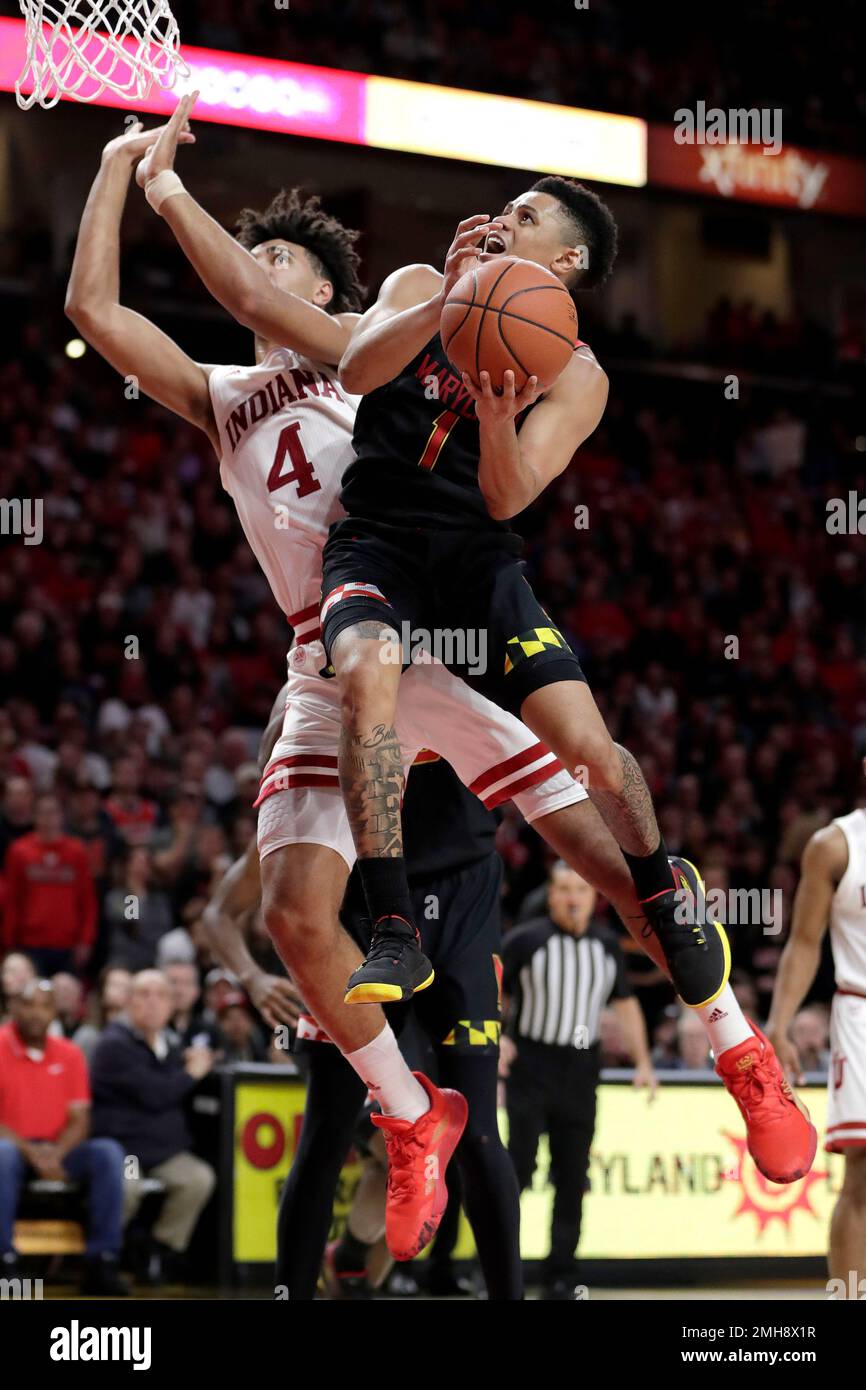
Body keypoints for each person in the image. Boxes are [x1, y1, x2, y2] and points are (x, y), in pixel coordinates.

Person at [500, 863, 655, 1299]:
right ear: (550, 896)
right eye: (564, 890)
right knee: (519, 1168)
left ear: (594, 898)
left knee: (572, 1176)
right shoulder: (525, 941)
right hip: (531, 1063)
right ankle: (500, 1270)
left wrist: (644, 1062)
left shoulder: (607, 946)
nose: (572, 898)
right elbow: (496, 993)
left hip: (581, 1070)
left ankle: (562, 1276)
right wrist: (494, 1041)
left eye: (581, 891)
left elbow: (625, 1005)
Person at [766, 758, 866, 1297]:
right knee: (863, 1179)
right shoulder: (835, 845)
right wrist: (779, 1027)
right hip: (861, 1012)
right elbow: (803, 943)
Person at [0, 979, 128, 1295]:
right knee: (1, 1155)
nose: (35, 1014)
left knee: (109, 1153)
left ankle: (103, 1259)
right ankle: (4, 1258)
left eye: (44, 1006)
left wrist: (55, 1154)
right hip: (14, 1149)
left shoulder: (69, 1053)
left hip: (60, 1150)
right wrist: (34, 1154)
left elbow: (80, 1118)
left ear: (55, 1011)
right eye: (28, 1005)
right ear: (13, 1008)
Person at [89, 969, 217, 1283]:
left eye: (161, 996)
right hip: (125, 1151)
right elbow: (156, 1095)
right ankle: (106, 1256)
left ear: (173, 1006)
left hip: (164, 1151)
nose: (152, 1003)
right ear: (128, 1002)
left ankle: (157, 1251)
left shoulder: (171, 1046)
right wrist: (192, 1073)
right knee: (127, 1187)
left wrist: (191, 1067)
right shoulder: (113, 1045)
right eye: (143, 994)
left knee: (198, 1178)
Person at [2, 793, 97, 976]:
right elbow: (12, 900)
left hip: (68, 943)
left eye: (53, 812)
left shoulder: (76, 851)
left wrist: (86, 940)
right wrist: (9, 942)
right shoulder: (19, 851)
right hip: (29, 942)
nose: (48, 818)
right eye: (42, 813)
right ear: (33, 816)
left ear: (62, 816)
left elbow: (87, 900)